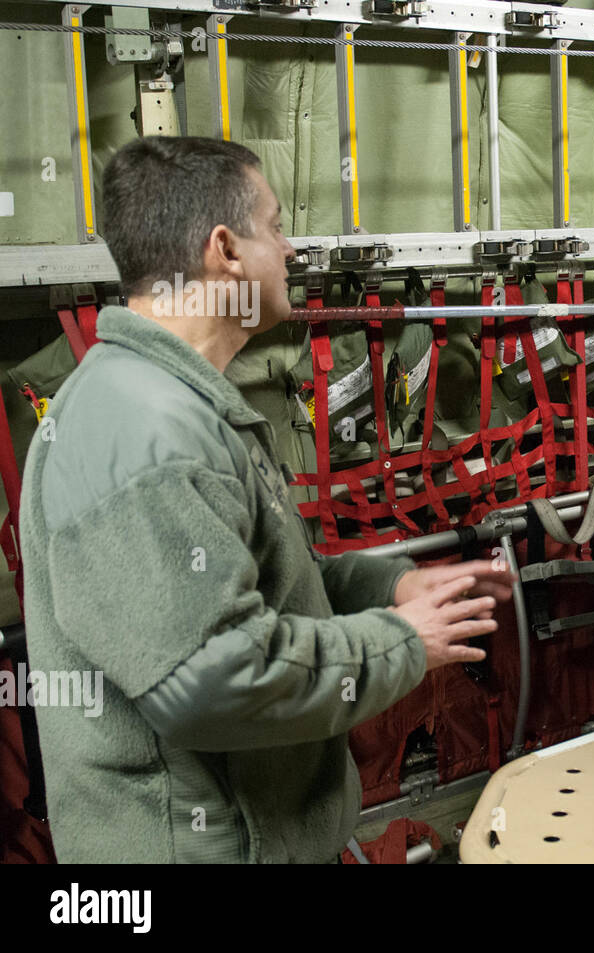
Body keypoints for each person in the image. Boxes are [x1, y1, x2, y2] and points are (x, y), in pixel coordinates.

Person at [18, 136, 514, 863]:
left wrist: (395, 583)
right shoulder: (143, 433)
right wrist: (403, 641)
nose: (291, 250)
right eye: (276, 226)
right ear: (225, 249)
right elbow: (216, 679)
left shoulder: (181, 404)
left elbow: (272, 585)